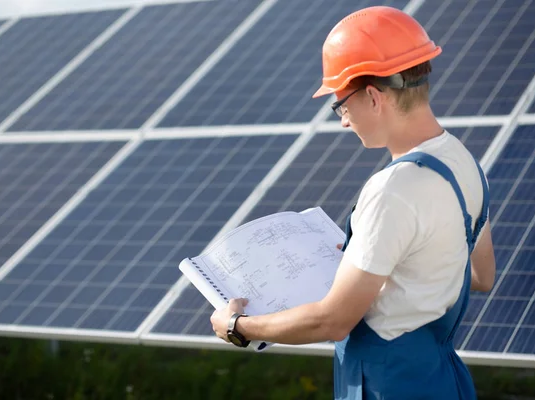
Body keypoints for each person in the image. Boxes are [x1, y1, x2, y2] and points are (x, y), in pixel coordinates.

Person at [210, 6, 496, 399]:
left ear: (375, 97)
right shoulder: (465, 163)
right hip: (443, 381)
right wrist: (383, 257)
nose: (344, 120)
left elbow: (332, 322)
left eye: (341, 105)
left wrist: (238, 326)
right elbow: (481, 276)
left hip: (387, 386)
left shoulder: (393, 190)